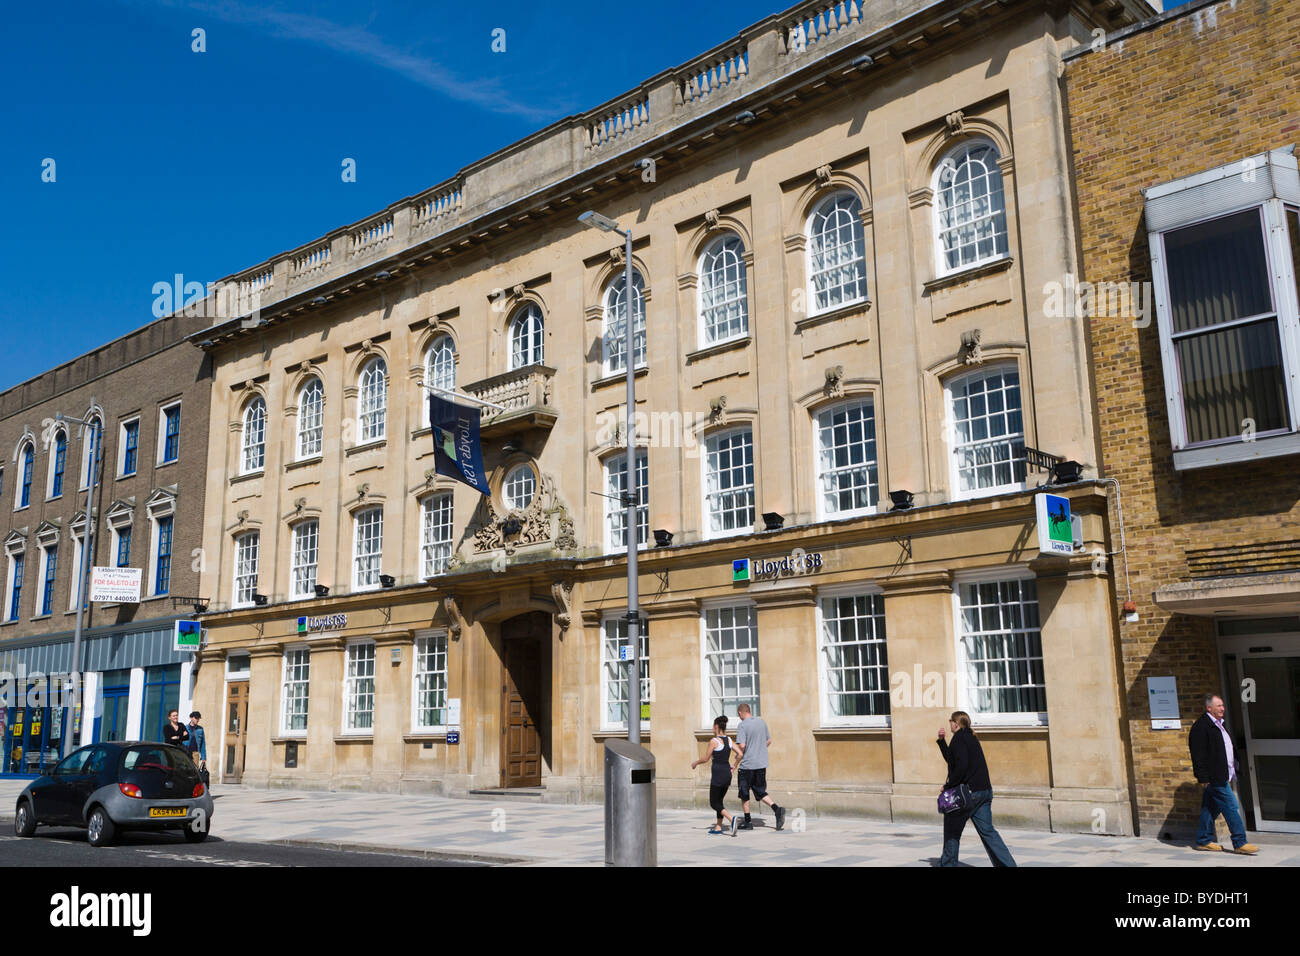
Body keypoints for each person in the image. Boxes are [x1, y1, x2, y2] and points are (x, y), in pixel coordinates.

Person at [936, 711, 1016, 867]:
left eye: (951, 721)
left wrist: (948, 785)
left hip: (969, 794)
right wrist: (941, 741)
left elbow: (961, 767)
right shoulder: (971, 737)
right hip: (984, 792)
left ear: (956, 723)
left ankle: (947, 864)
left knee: (952, 828)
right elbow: (953, 760)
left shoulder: (959, 739)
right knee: (988, 833)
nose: (949, 723)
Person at [1189, 694, 1259, 855]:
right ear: (1209, 708)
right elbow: (1197, 755)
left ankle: (1203, 840)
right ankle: (1240, 842)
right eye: (1219, 706)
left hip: (1223, 774)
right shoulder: (1201, 727)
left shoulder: (1219, 724)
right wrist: (1203, 777)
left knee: (1210, 808)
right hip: (1214, 777)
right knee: (1231, 806)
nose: (1222, 708)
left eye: (1222, 705)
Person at [733, 703, 785, 831]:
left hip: (747, 765)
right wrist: (758, 749)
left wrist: (736, 758)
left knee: (744, 793)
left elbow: (742, 746)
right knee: (760, 791)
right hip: (761, 763)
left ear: (740, 713)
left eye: (739, 715)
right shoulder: (762, 722)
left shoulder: (742, 725)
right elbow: (769, 741)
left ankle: (748, 822)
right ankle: (777, 809)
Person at [692, 715, 739, 835]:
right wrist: (734, 765)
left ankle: (731, 819)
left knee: (714, 802)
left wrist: (696, 763)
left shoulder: (714, 741)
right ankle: (718, 827)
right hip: (727, 774)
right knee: (720, 801)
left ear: (716, 726)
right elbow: (740, 753)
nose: (713, 729)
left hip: (718, 774)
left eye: (713, 727)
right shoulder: (729, 740)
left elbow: (706, 758)